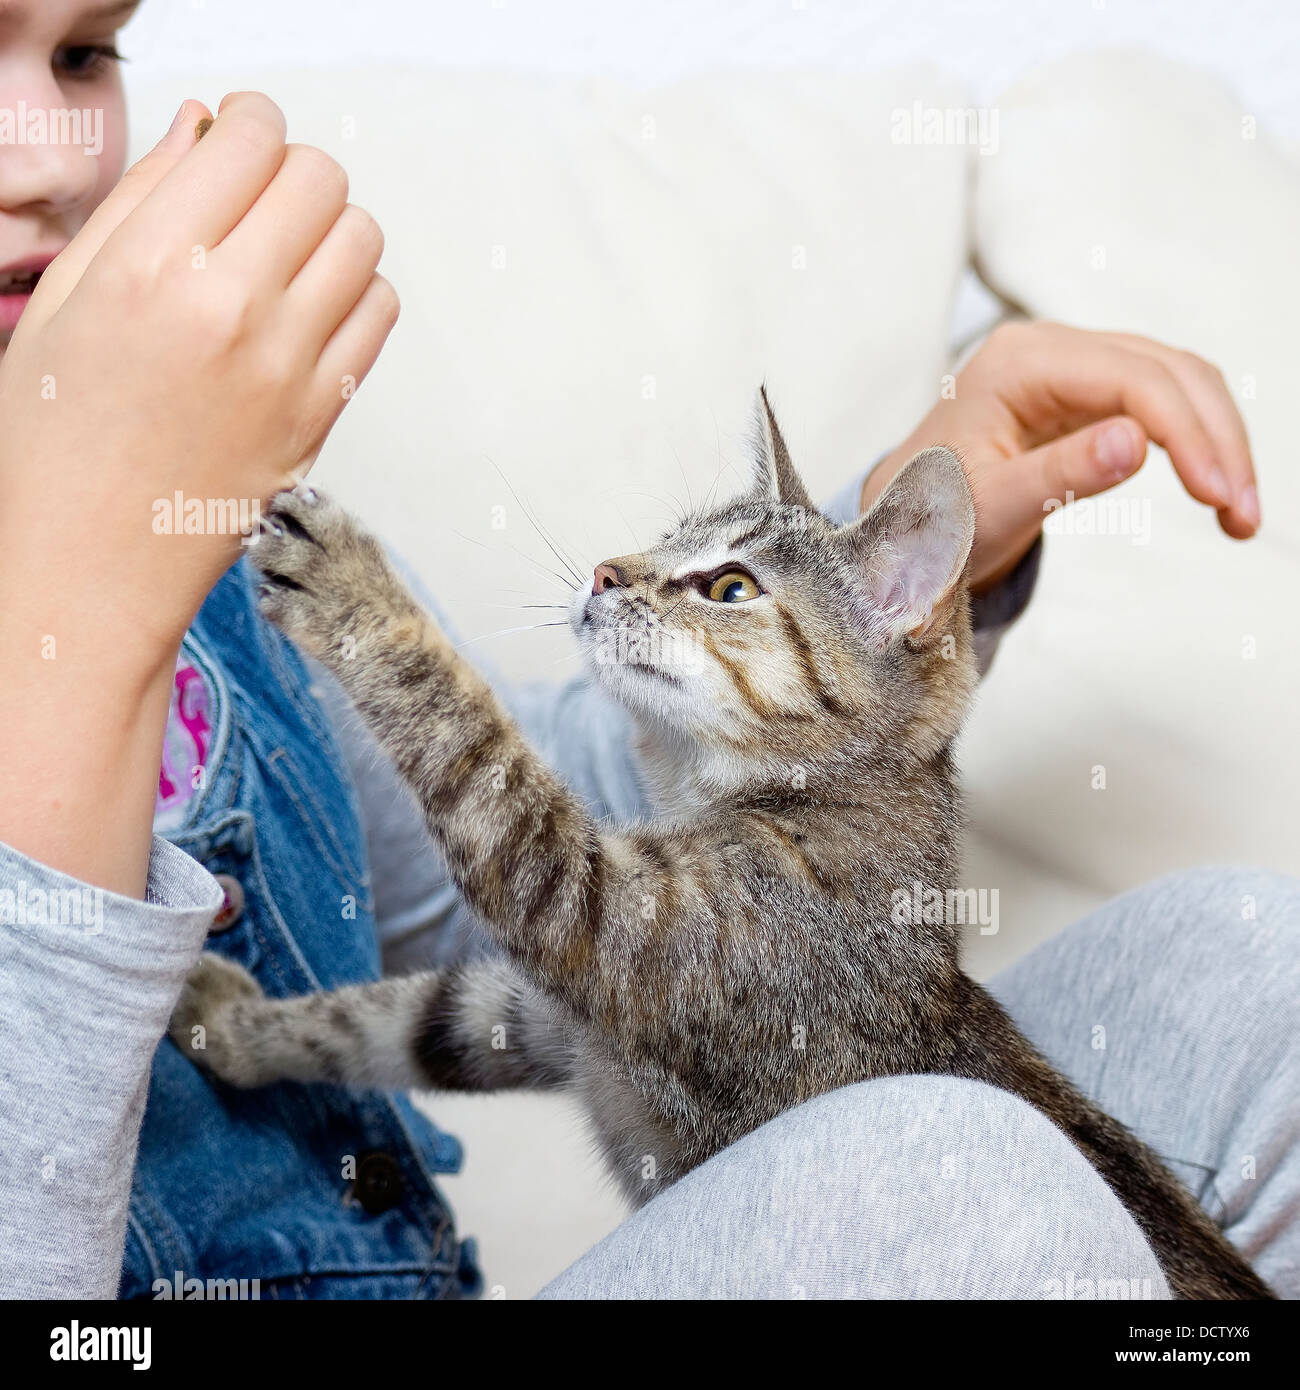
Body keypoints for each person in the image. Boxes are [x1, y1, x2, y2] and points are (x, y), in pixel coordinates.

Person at [0, 0, 1292, 1300]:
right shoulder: (159, 494)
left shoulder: (222, 523)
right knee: (952, 1176)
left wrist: (854, 618)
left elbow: (504, 901)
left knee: (1253, 974)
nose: (52, 153)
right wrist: (82, 590)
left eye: (83, 54)